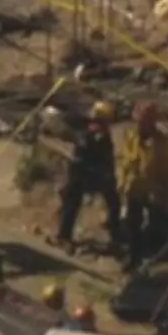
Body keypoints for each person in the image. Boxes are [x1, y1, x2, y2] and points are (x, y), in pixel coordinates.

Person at [52, 101, 121, 253]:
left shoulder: (90, 130)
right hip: (87, 173)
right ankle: (64, 236)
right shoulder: (95, 134)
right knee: (75, 203)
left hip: (88, 172)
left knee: (74, 203)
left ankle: (65, 235)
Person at [118, 101, 168, 271]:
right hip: (134, 190)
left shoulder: (161, 143)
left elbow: (167, 171)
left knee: (154, 229)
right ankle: (133, 258)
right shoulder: (132, 137)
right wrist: (123, 185)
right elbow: (126, 162)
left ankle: (153, 264)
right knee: (133, 226)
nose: (141, 123)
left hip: (154, 193)